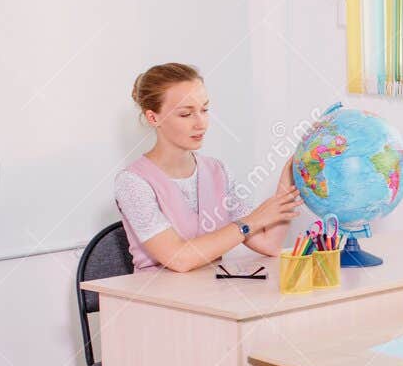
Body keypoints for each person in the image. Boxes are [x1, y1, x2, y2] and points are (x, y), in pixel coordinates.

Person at [114, 62, 301, 272]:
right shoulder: (132, 182)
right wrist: (249, 222)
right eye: (186, 114)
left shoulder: (217, 171)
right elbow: (179, 259)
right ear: (153, 117)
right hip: (158, 300)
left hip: (211, 296)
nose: (201, 123)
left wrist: (290, 179)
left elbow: (269, 244)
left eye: (204, 109)